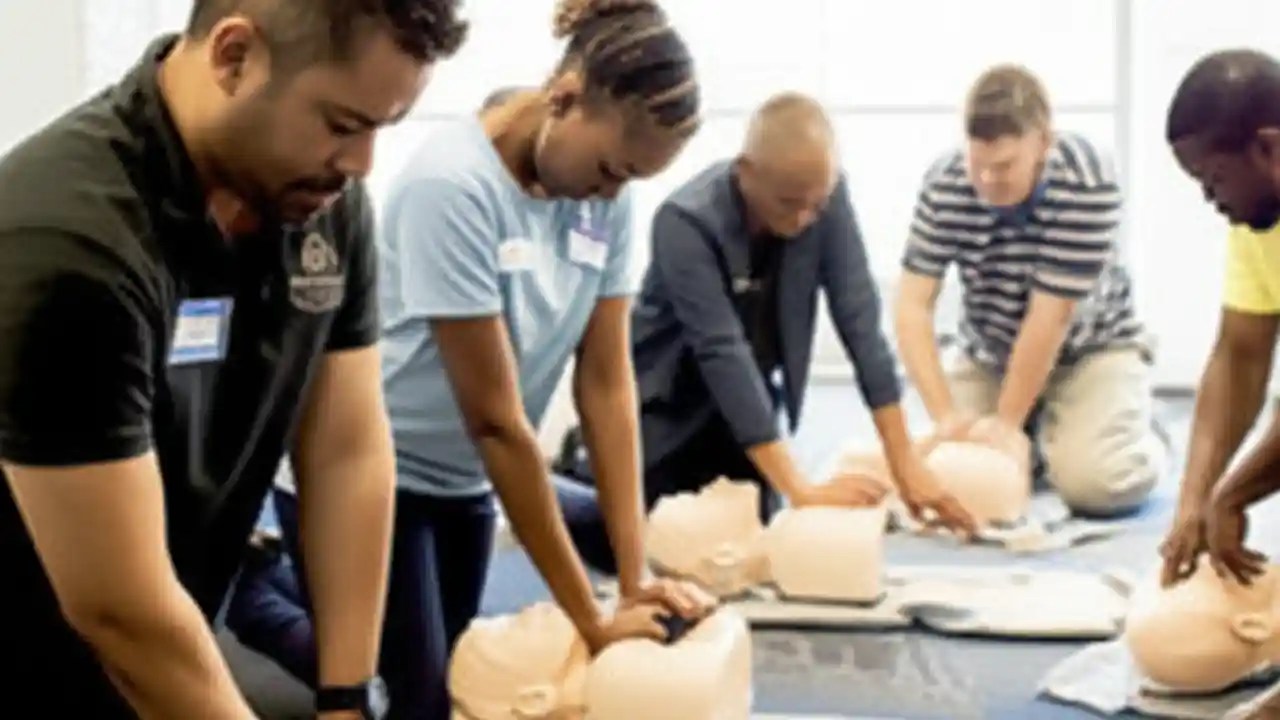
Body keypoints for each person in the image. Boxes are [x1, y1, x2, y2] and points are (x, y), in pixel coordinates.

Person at [229, 2, 714, 718]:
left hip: (465, 481)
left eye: (632, 180)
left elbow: (607, 385)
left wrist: (633, 576)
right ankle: (254, 596)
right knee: (408, 702)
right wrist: (591, 618)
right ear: (565, 97)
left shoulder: (605, 199)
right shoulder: (453, 186)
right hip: (372, 467)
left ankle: (305, 608)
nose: (612, 193)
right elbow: (495, 420)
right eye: (611, 168)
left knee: (449, 678)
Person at [0, 0, 467, 717]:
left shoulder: (321, 205)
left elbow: (344, 450)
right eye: (343, 125)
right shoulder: (67, 240)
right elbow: (119, 612)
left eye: (382, 128)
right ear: (234, 56)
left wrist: (348, 696)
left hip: (176, 620)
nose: (361, 164)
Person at [554, 92, 977, 574]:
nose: (803, 219)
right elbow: (722, 353)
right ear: (746, 172)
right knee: (638, 540)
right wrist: (801, 489)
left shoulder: (824, 197)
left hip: (746, 411)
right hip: (666, 407)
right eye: (789, 204)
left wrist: (904, 462)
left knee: (750, 543)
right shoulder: (684, 221)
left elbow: (860, 320)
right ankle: (569, 475)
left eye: (815, 205)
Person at [895, 64, 1164, 518]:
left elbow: (1050, 317)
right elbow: (912, 306)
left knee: (1098, 485)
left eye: (1004, 166)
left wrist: (1005, 425)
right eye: (977, 165)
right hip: (990, 351)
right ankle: (1039, 436)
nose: (988, 181)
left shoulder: (1087, 179)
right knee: (944, 473)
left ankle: (1138, 430)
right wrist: (946, 418)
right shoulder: (945, 184)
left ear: (1043, 142)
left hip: (1090, 349)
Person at [1159, 49, 1280, 589]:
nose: (1209, 197)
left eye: (1215, 177)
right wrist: (1194, 500)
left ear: (1268, 148)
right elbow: (1239, 357)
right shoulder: (1256, 222)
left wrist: (1232, 495)